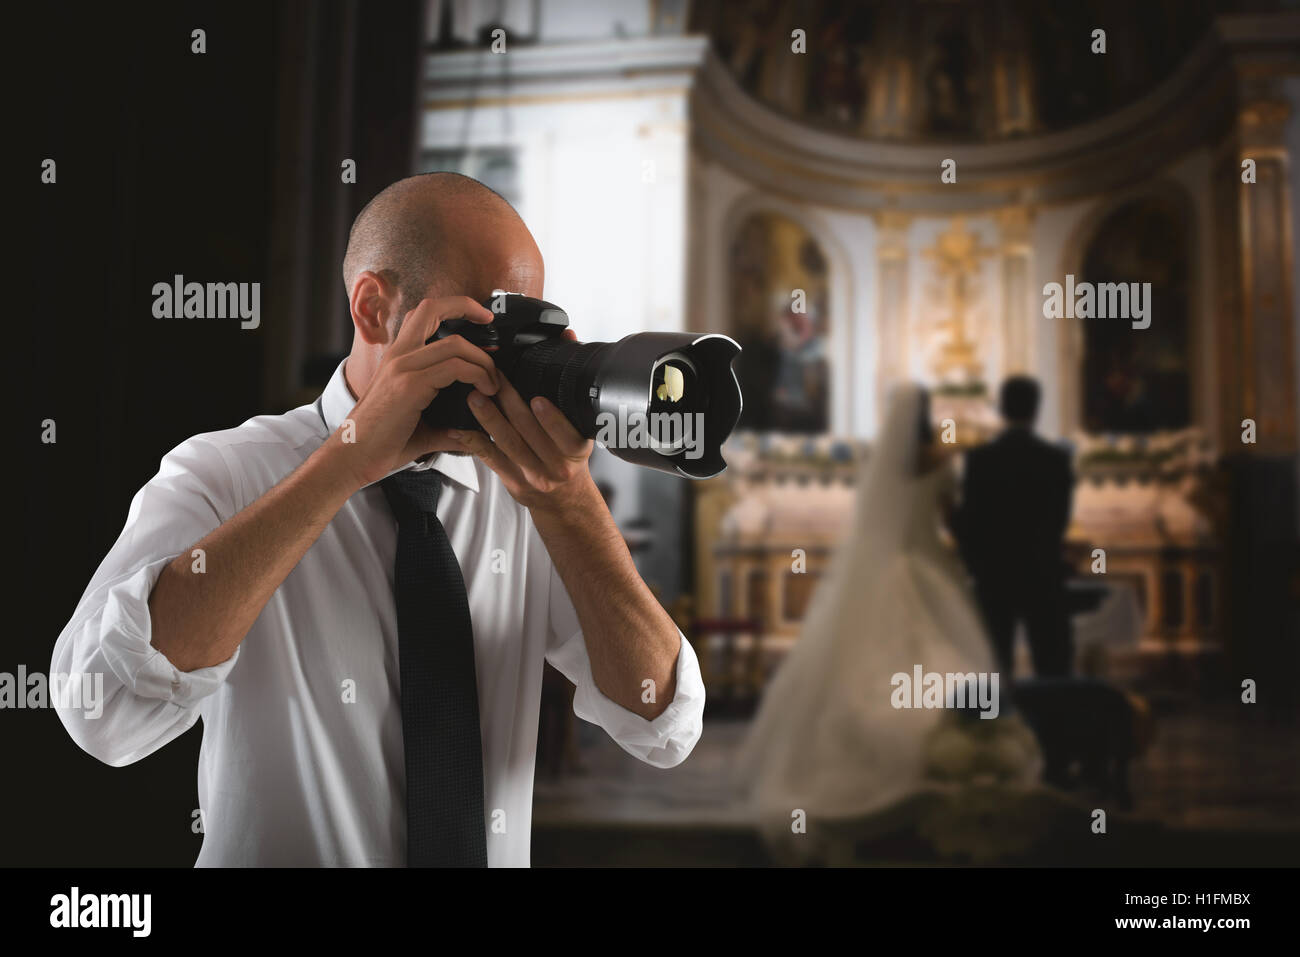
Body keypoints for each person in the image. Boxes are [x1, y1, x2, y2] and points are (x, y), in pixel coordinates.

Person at [51, 172, 705, 867]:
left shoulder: (529, 494)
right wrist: (347, 464)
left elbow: (661, 724)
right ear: (372, 310)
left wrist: (570, 501)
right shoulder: (222, 472)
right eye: (489, 326)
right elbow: (103, 712)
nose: (511, 365)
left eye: (530, 332)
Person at [735, 383, 1040, 863]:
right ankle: (956, 744)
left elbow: (873, 522)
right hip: (929, 567)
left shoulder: (880, 460)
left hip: (882, 571)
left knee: (863, 659)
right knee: (944, 652)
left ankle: (895, 753)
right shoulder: (940, 459)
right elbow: (953, 520)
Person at [953, 376, 1075, 677]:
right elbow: (1060, 520)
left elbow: (970, 522)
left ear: (1001, 409)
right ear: (1036, 410)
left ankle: (998, 722)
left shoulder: (979, 460)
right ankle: (1051, 723)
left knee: (995, 668)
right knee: (1051, 664)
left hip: (994, 575)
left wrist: (974, 564)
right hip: (1042, 572)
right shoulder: (1056, 459)